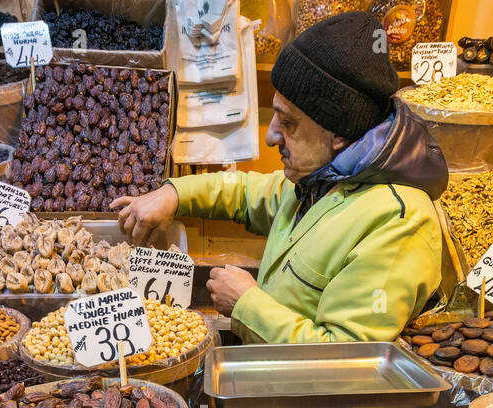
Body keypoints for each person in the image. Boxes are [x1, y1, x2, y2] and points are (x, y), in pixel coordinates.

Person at [111, 12, 448, 343]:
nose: (271, 137)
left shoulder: (399, 223)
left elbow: (346, 363)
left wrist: (245, 305)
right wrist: (173, 194)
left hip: (302, 397)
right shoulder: (325, 177)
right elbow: (245, 193)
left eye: (288, 123)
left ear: (339, 134)